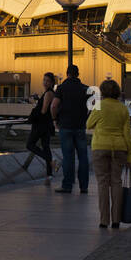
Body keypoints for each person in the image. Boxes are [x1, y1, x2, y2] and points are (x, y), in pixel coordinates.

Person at [86, 78, 131, 229]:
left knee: (102, 183)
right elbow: (127, 134)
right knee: (116, 182)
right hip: (119, 148)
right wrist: (130, 156)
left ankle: (104, 220)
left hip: (100, 146)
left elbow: (88, 124)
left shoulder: (99, 106)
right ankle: (116, 220)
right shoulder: (123, 109)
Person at [51, 64, 91, 195]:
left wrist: (55, 119)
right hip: (80, 126)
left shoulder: (61, 88)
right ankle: (84, 186)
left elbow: (54, 106)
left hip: (65, 126)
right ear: (78, 74)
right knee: (83, 157)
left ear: (67, 74)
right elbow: (93, 107)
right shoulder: (85, 88)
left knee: (68, 157)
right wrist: (85, 118)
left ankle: (67, 185)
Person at [25, 72, 57, 180]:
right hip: (46, 124)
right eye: (44, 80)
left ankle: (51, 162)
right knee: (46, 147)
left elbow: (43, 110)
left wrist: (34, 104)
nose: (45, 82)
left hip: (41, 125)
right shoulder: (49, 93)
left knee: (30, 144)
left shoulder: (48, 93)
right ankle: (49, 174)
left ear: (52, 82)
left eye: (48, 81)